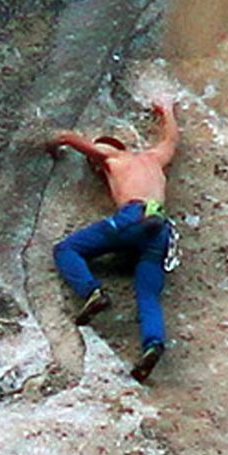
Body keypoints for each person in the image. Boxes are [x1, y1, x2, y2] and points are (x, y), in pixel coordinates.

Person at [48, 98, 179, 382]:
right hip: (159, 227)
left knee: (66, 249)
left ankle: (93, 292)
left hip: (133, 216)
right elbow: (171, 140)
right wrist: (166, 109)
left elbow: (66, 137)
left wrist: (48, 144)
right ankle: (153, 344)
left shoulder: (114, 159)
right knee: (147, 294)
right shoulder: (154, 159)